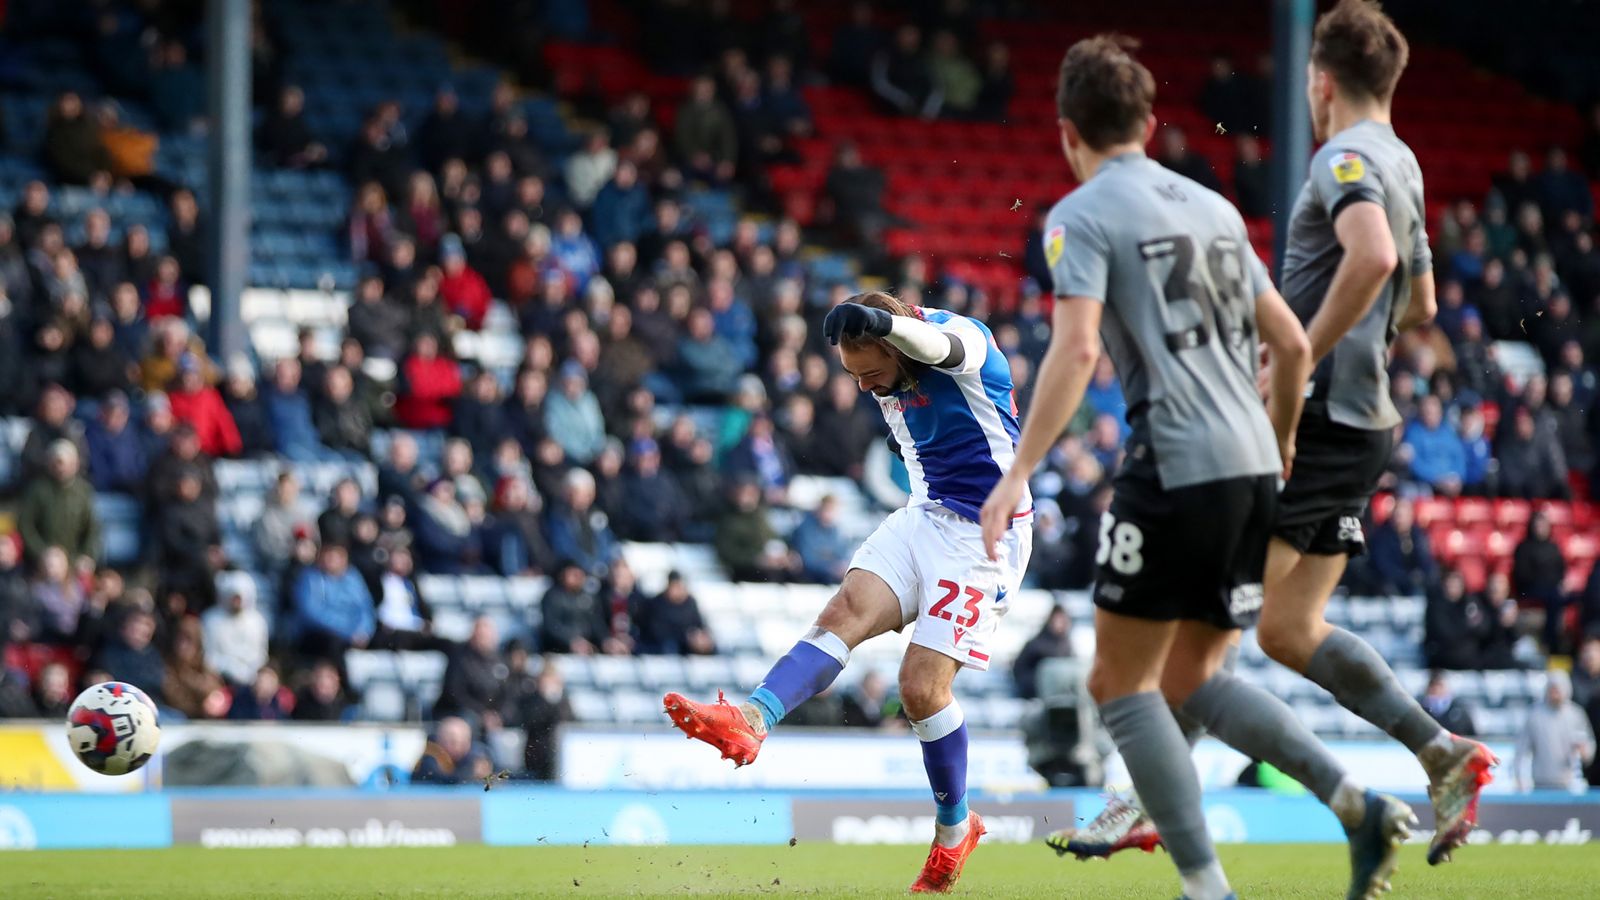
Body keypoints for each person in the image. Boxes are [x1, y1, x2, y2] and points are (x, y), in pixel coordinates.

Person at [979, 33, 1406, 900]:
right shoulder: (1213, 207)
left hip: (1173, 463)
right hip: (1253, 464)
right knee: (1196, 677)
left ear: (1069, 134)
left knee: (1118, 683)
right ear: (1149, 120)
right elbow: (1290, 340)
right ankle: (1354, 802)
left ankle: (1208, 889)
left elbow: (1077, 350)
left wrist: (1017, 473)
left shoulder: (1081, 215)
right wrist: (1282, 436)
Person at [1213, 1, 1491, 871]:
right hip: (1364, 420)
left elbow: (1372, 259)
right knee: (1288, 629)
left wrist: (1299, 351)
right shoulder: (1401, 161)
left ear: (1321, 80)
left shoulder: (1346, 154)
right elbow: (1423, 302)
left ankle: (1143, 799)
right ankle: (1439, 750)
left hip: (1314, 412)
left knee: (1196, 610)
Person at [666, 277, 1036, 890]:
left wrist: (888, 327)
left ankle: (954, 828)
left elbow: (940, 349)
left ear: (894, 346)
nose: (863, 387)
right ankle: (753, 720)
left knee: (920, 689)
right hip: (927, 514)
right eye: (853, 375)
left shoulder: (966, 341)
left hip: (986, 536)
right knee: (844, 611)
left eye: (868, 372)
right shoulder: (886, 366)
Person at [17, 440, 100, 572]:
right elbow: (25, 525)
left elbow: (92, 528)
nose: (61, 468)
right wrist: (41, 552)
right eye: (57, 463)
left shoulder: (84, 491)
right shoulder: (37, 490)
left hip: (73, 559)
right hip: (42, 562)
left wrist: (87, 555)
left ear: (75, 464)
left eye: (66, 463)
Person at [292, 543, 375, 663]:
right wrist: (347, 631)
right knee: (334, 644)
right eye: (329, 556)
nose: (331, 561)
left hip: (352, 634)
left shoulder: (353, 577)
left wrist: (364, 631)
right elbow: (311, 612)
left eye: (337, 557)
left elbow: (365, 608)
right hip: (320, 633)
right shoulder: (310, 577)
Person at [1515, 671, 1595, 792]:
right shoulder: (1534, 714)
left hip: (1569, 783)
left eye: (1558, 689)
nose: (1555, 694)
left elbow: (1588, 745)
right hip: (1540, 782)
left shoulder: (1576, 714)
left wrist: (1585, 752)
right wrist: (1520, 778)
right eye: (1552, 689)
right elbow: (1521, 750)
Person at [1512, 511, 1569, 652]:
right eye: (1537, 525)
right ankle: (1551, 641)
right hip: (1528, 590)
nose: (1540, 528)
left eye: (1543, 525)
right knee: (1554, 597)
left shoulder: (1553, 547)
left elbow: (1561, 570)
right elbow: (1522, 575)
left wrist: (1561, 583)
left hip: (1552, 589)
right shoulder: (1524, 547)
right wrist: (1548, 582)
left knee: (1579, 597)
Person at [434, 616, 505, 723]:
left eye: (487, 635)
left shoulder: (500, 661)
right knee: (468, 720)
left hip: (489, 715)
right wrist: (482, 713)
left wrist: (498, 714)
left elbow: (506, 693)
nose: (484, 639)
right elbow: (455, 693)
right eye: (481, 635)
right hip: (459, 712)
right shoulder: (459, 657)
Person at [202, 574, 269, 688]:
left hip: (251, 681)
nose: (236, 602)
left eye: (239, 598)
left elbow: (261, 655)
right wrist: (230, 670)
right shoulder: (211, 620)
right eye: (234, 598)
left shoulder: (258, 622)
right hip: (219, 679)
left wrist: (248, 672)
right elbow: (209, 656)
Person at [1423, 569, 1490, 671]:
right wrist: (1468, 626)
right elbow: (1445, 634)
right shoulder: (1436, 606)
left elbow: (1484, 629)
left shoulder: (1470, 603)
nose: (1453, 588)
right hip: (1442, 660)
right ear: (1443, 585)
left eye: (1457, 584)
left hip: (1470, 660)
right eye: (1450, 584)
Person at [516, 661, 573, 781]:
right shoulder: (531, 699)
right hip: (538, 751)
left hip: (561, 750)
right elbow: (532, 721)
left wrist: (554, 700)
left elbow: (568, 721)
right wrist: (546, 700)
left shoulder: (563, 700)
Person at [636, 571, 715, 656]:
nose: (679, 590)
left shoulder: (690, 603)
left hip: (689, 643)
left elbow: (698, 624)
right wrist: (686, 637)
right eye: (676, 586)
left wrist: (700, 636)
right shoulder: (657, 604)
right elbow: (657, 632)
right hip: (666, 645)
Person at [1013, 606, 1074, 700]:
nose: (1060, 624)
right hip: (1035, 694)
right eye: (1057, 620)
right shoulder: (1036, 644)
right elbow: (1020, 670)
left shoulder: (1066, 645)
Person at [412, 715, 494, 785]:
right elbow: (442, 780)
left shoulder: (475, 755)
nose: (459, 747)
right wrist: (471, 772)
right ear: (440, 740)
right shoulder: (430, 757)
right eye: (453, 742)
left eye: (463, 742)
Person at [790, 495, 853, 585]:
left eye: (833, 510)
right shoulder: (805, 528)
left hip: (832, 579)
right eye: (828, 509)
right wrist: (830, 568)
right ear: (819, 509)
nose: (830, 514)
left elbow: (842, 555)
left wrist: (840, 568)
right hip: (809, 579)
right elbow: (807, 560)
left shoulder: (838, 531)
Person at [1418, 672, 1477, 738]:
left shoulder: (1460, 710)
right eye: (1433, 686)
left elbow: (1472, 735)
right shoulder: (1420, 709)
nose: (1436, 690)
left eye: (1439, 686)